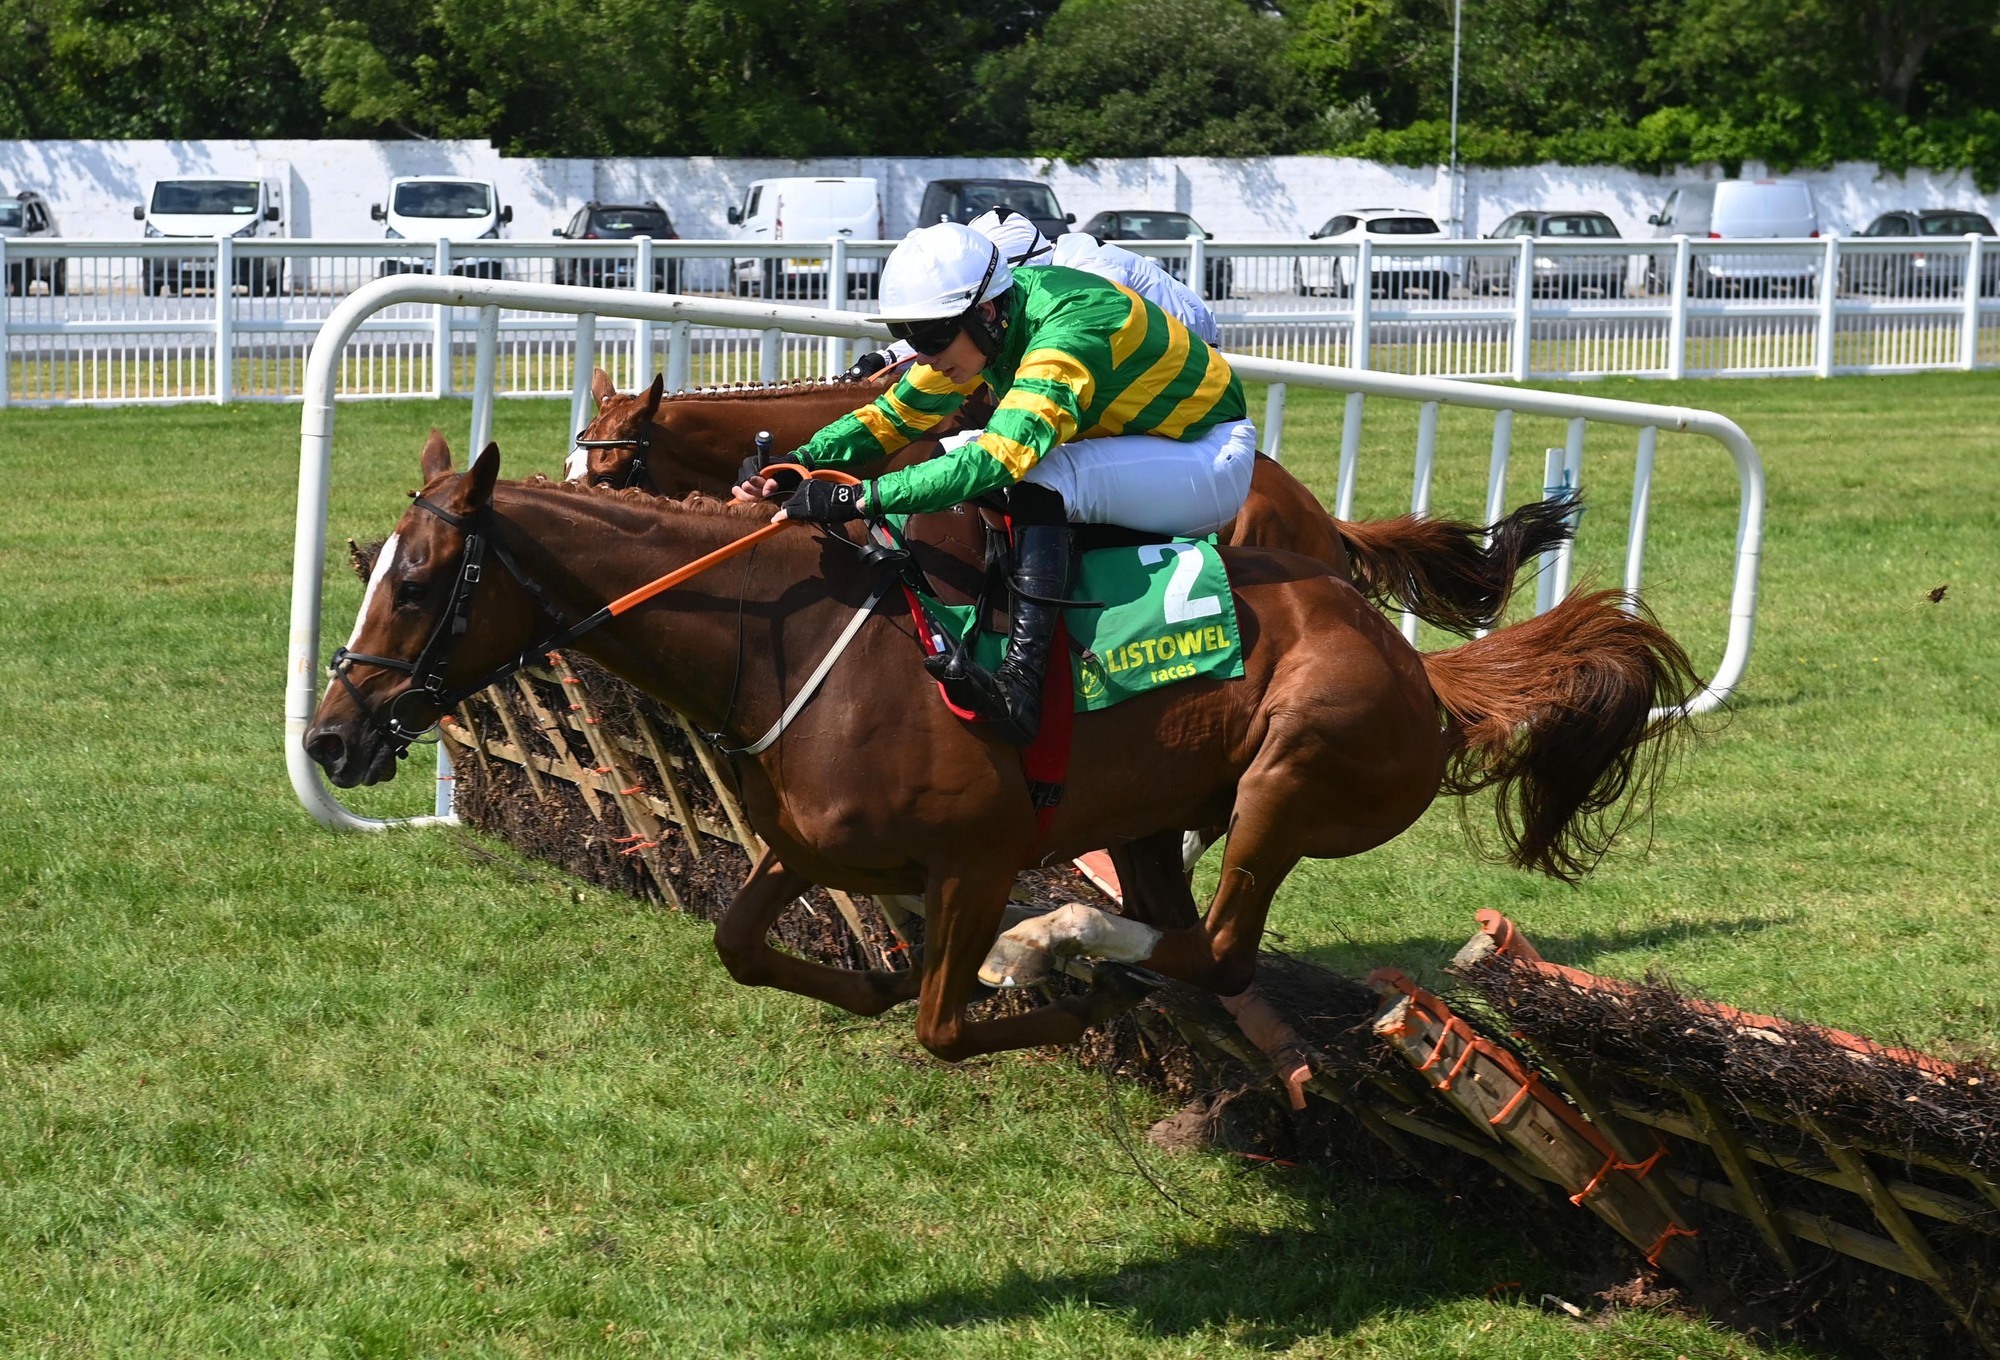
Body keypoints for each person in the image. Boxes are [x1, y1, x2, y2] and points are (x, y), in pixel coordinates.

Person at [737, 221, 1256, 746]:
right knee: (947, 452)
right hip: (1135, 438)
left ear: (985, 312)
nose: (922, 354)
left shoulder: (1069, 327)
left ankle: (1021, 687)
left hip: (1205, 452)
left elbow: (1005, 455)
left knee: (1039, 475)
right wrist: (795, 461)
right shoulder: (986, 324)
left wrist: (858, 497)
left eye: (932, 337)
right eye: (908, 336)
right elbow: (893, 416)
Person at [841, 207, 1219, 381]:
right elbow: (954, 318)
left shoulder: (1088, 276)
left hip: (1191, 348)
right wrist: (887, 355)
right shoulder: (1043, 265)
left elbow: (965, 317)